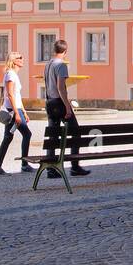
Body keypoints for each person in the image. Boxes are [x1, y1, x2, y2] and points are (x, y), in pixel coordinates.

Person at [44, 39, 90, 178]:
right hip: (59, 103)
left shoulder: (48, 64)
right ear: (65, 51)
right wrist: (67, 107)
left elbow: (48, 85)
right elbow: (61, 87)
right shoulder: (61, 65)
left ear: (54, 50)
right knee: (76, 132)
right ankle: (74, 166)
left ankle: (51, 169)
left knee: (53, 135)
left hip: (49, 102)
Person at [0, 52, 33, 176]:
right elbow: (10, 94)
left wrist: (23, 111)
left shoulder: (14, 74)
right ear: (13, 60)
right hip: (12, 110)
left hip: (16, 109)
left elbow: (17, 95)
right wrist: (17, 113)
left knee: (8, 137)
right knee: (26, 134)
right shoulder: (10, 74)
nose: (22, 59)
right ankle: (24, 165)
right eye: (19, 58)